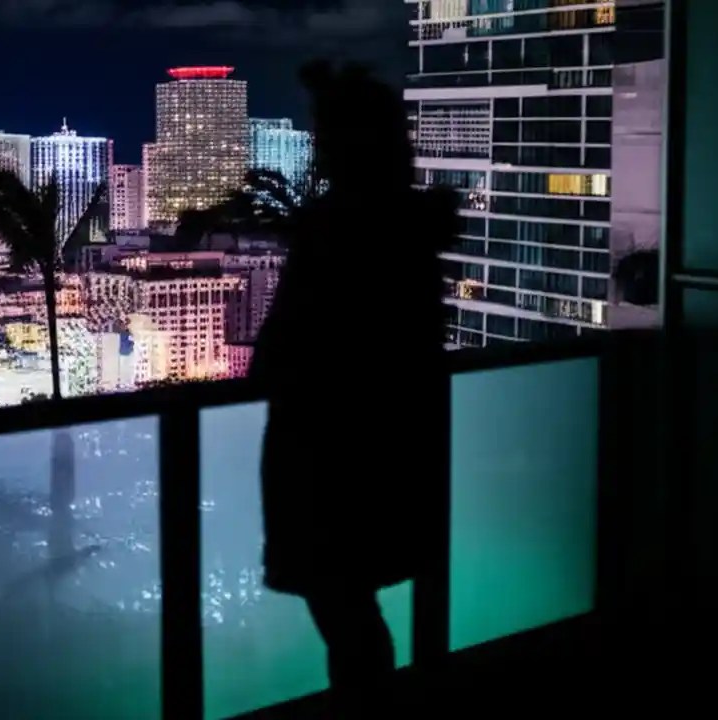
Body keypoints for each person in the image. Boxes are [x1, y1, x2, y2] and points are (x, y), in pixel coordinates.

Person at [249, 62, 456, 715]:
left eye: (324, 134)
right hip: (392, 441)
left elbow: (286, 340)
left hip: (327, 452)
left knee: (344, 610)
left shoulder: (337, 226)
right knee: (355, 610)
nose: (317, 146)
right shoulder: (408, 228)